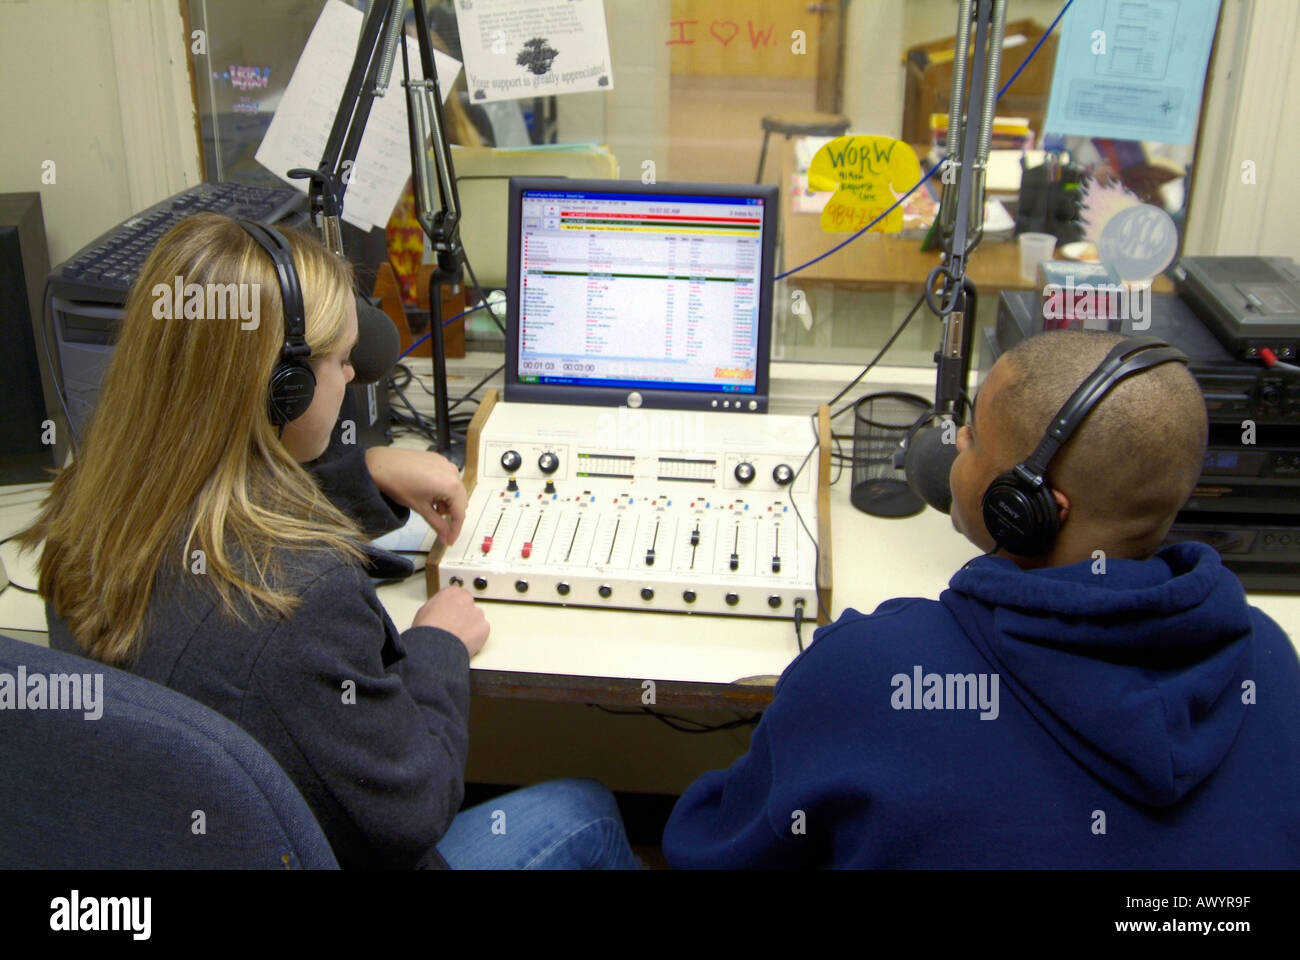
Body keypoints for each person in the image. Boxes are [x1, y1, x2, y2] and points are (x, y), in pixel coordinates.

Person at [20, 212, 639, 870]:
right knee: (587, 810)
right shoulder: (305, 601)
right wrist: (439, 644)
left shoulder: (86, 503)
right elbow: (416, 806)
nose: (349, 381)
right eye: (341, 362)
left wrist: (362, 474)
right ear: (281, 388)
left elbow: (213, 495)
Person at [663, 329, 1300, 868]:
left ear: (1026, 509)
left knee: (582, 811)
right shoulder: (1268, 656)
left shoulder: (870, 673)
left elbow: (712, 851)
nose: (955, 443)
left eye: (973, 440)